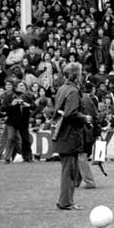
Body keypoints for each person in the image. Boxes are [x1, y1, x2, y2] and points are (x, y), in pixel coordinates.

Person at [50, 62, 91, 210]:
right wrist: (85, 118)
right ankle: (65, 202)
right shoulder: (73, 91)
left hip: (63, 135)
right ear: (75, 75)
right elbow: (70, 113)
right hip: (69, 136)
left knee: (68, 169)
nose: (81, 76)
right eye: (80, 74)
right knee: (70, 171)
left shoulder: (62, 88)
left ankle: (65, 200)